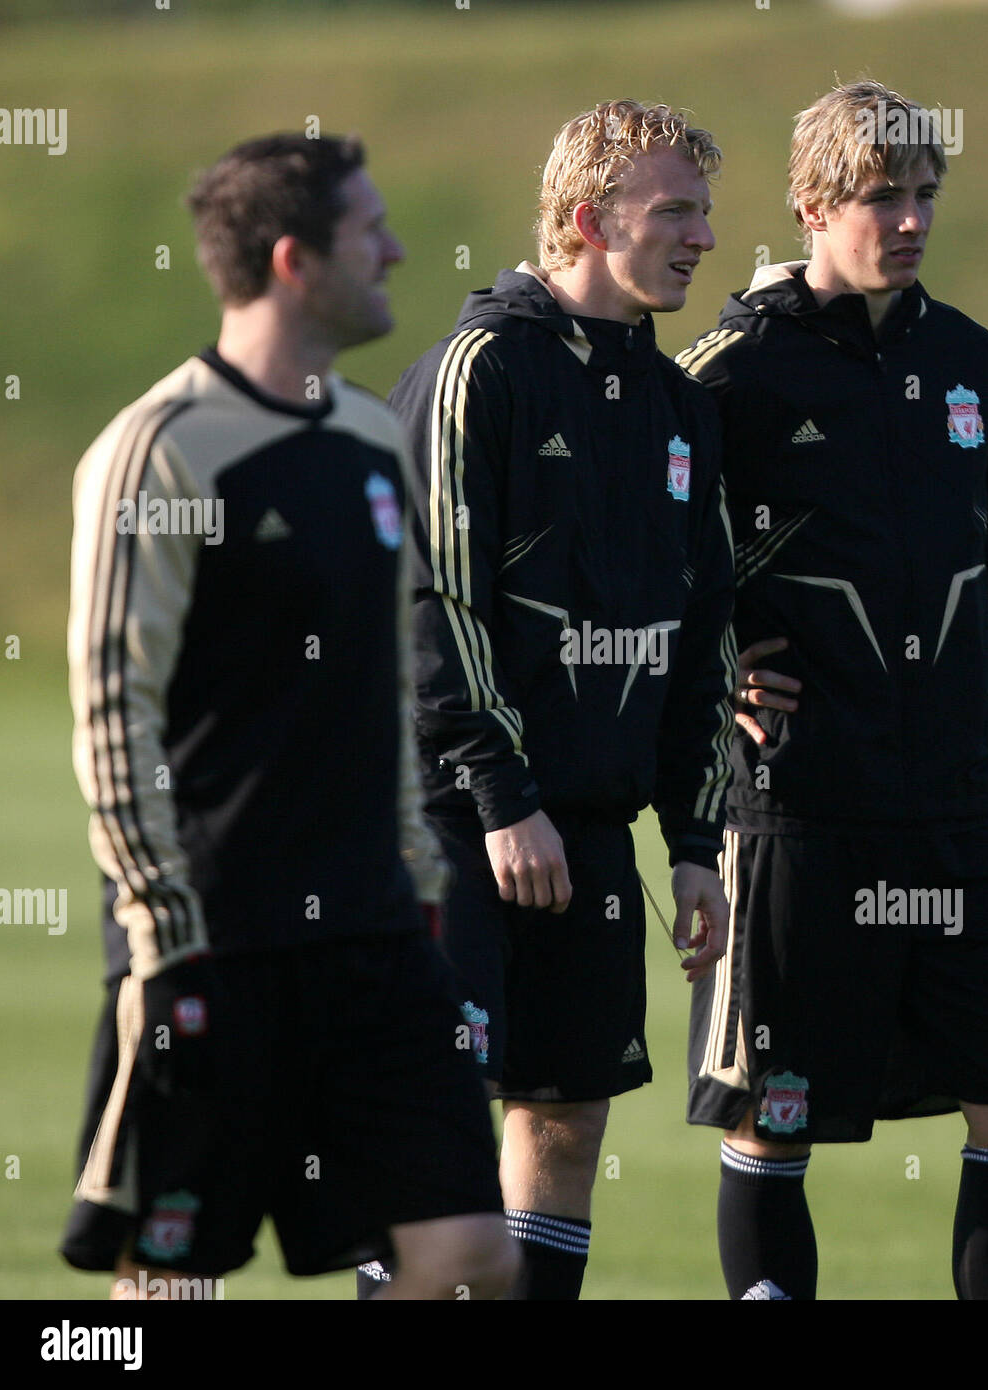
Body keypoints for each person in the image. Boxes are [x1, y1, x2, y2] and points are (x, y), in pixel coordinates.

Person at [62, 133, 517, 1300]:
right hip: (216, 937)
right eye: (370, 232)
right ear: (292, 261)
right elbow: (115, 715)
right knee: (170, 1281)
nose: (398, 251)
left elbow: (381, 699)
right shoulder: (159, 453)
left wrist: (418, 890)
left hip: (374, 938)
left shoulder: (371, 438)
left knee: (467, 1256)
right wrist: (166, 935)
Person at [678, 80, 988, 1300]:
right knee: (772, 1115)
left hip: (959, 805)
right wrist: (713, 664)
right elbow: (639, 554)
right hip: (800, 815)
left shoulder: (970, 362)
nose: (908, 220)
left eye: (923, 196)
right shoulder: (729, 370)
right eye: (879, 197)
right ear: (809, 206)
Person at [360, 100, 736, 1301]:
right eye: (673, 210)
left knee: (565, 1122)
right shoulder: (482, 370)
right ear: (586, 220)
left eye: (703, 211)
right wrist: (500, 796)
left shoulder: (676, 405)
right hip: (451, 825)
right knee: (438, 1131)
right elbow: (434, 603)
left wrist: (690, 842)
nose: (701, 237)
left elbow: (695, 637)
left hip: (585, 831)